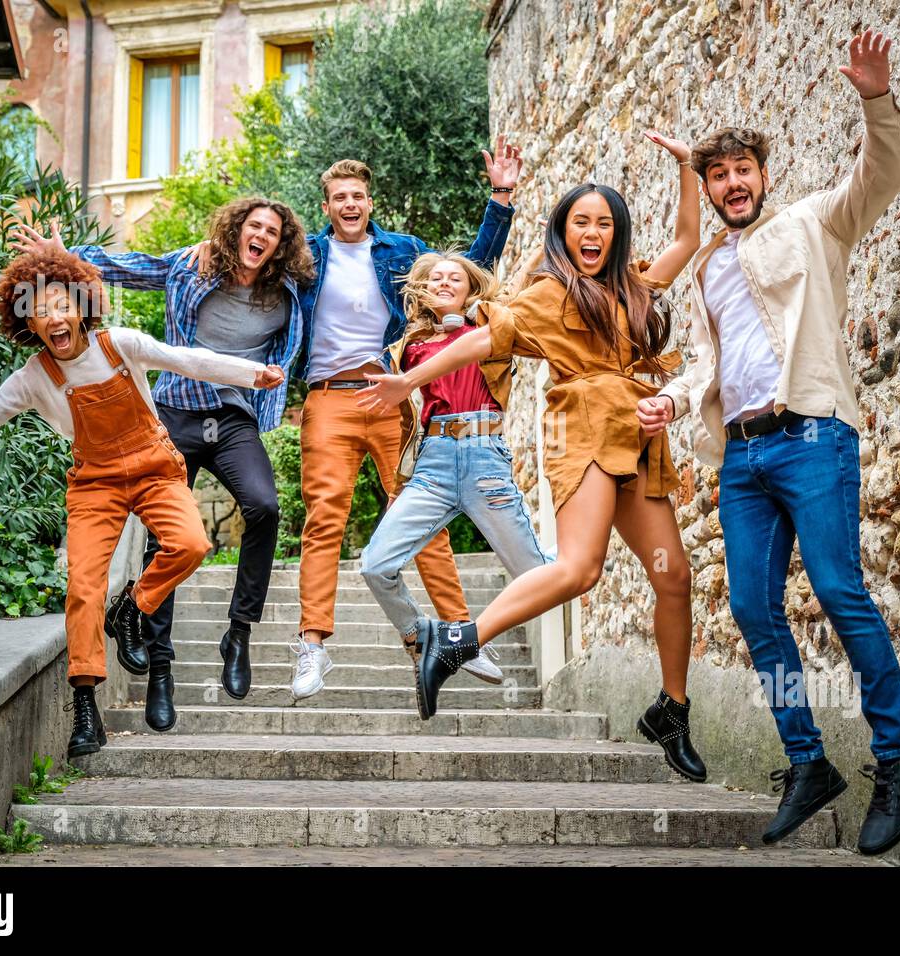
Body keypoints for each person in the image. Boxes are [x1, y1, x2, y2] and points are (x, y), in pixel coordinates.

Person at [638, 29, 900, 856]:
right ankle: (808, 761)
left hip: (811, 437)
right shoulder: (706, 270)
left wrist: (876, 97)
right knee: (754, 610)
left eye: (743, 171)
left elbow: (884, 176)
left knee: (840, 594)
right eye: (718, 174)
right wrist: (670, 398)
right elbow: (709, 359)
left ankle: (898, 761)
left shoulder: (813, 222)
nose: (733, 185)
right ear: (709, 185)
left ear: (763, 176)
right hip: (743, 458)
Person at [357, 130, 707, 782]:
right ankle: (456, 640)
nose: (593, 232)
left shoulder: (634, 284)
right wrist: (407, 381)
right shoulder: (549, 294)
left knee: (674, 577)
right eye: (581, 222)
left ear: (618, 233)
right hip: (582, 432)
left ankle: (672, 710)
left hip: (638, 437)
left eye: (605, 222)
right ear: (563, 232)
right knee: (577, 569)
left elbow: (686, 239)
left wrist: (688, 167)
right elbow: (480, 339)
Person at [0, 249, 285, 757]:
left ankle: (133, 607)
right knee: (83, 588)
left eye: (62, 304)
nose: (54, 317)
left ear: (82, 305)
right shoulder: (33, 377)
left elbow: (186, 359)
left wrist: (250, 374)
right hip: (95, 485)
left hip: (155, 468)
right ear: (29, 323)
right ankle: (85, 707)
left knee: (191, 544)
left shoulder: (120, 345)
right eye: (41, 310)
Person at [11, 197, 313, 731]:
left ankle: (238, 633)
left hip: (236, 414)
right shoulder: (192, 265)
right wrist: (64, 257)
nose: (261, 235)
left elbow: (354, 263)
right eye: (253, 226)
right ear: (236, 229)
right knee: (165, 538)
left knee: (265, 505)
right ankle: (160, 672)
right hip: (175, 410)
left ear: (279, 245)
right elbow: (132, 267)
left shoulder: (289, 290)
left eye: (272, 231)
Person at [284, 142, 522, 701]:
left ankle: (464, 636)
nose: (349, 204)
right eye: (339, 197)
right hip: (329, 399)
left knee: (425, 514)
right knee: (325, 518)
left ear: (370, 202)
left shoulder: (400, 252)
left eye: (358, 196)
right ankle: (313, 643)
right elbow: (251, 276)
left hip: (393, 397)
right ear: (326, 207)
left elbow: (466, 268)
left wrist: (500, 200)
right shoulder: (306, 260)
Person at [359, 251, 552, 683]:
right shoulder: (405, 347)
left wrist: (546, 245)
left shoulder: (491, 327)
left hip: (484, 457)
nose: (446, 282)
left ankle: (469, 636)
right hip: (433, 465)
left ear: (471, 288)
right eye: (436, 278)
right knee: (374, 564)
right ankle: (425, 637)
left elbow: (518, 288)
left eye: (456, 278)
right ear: (424, 290)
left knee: (542, 576)